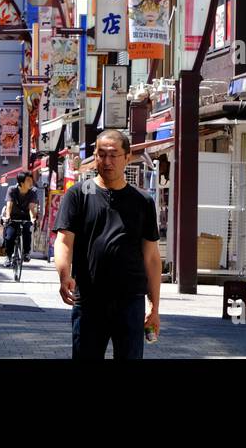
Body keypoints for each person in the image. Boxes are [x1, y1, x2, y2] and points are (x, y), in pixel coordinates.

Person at [54, 129, 161, 360]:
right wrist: (64, 275)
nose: (107, 161)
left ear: (127, 156)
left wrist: (154, 306)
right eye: (101, 155)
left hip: (130, 300)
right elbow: (63, 241)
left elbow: (151, 257)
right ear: (94, 156)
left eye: (113, 155)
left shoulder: (142, 201)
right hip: (89, 299)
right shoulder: (79, 194)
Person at [0, 171, 39, 265]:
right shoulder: (12, 189)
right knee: (9, 237)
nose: (31, 182)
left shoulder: (33, 191)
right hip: (13, 216)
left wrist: (33, 218)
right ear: (21, 183)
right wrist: (8, 217)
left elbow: (31, 207)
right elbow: (9, 205)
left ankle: (26, 253)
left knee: (27, 231)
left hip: (25, 216)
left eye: (31, 180)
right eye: (28, 180)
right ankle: (8, 256)